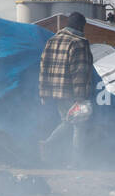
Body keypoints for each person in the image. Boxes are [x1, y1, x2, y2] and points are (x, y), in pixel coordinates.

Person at [38, 12, 95, 164]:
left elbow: (43, 67)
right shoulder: (79, 42)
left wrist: (43, 92)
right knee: (79, 125)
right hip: (71, 92)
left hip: (55, 91)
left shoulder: (52, 40)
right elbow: (80, 72)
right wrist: (80, 98)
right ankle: (77, 162)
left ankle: (48, 144)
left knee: (67, 121)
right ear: (81, 26)